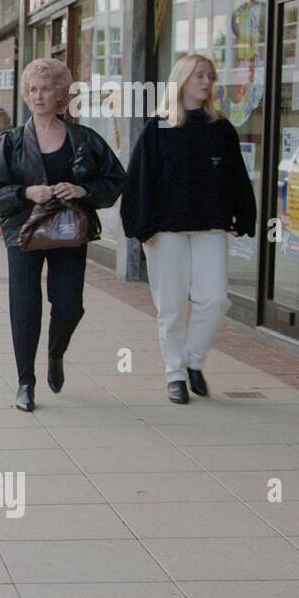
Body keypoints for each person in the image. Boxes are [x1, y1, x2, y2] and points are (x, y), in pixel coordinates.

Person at [0, 58, 126, 413]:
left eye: (46, 88)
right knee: (25, 307)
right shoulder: (11, 141)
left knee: (68, 305)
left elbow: (114, 181)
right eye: (32, 89)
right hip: (24, 234)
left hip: (68, 233)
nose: (39, 96)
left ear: (60, 93)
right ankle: (25, 382)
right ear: (26, 95)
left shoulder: (83, 139)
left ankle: (55, 352)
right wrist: (27, 194)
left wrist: (80, 191)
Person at [121, 54, 257, 405]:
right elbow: (140, 178)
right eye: (199, 75)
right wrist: (141, 224)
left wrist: (245, 215)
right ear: (181, 79)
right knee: (171, 303)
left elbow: (236, 177)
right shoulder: (159, 127)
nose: (206, 82)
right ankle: (175, 373)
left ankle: (194, 361)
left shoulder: (220, 128)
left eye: (210, 76)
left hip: (210, 225)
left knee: (214, 297)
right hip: (165, 229)